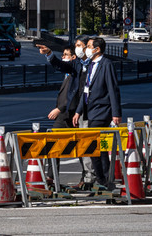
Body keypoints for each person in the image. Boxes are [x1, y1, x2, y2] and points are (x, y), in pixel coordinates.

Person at [37, 36, 94, 189]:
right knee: (61, 144)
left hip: (79, 113)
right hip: (71, 113)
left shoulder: (92, 65)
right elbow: (60, 65)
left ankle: (89, 179)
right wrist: (49, 54)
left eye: (80, 45)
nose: (79, 47)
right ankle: (52, 176)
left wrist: (61, 108)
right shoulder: (75, 66)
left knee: (85, 147)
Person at [73, 36, 121, 189]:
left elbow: (113, 89)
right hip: (90, 111)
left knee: (96, 146)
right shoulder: (90, 65)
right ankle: (104, 179)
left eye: (88, 46)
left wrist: (116, 113)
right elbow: (85, 91)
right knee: (97, 147)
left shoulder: (106, 64)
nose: (86, 49)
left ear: (97, 49)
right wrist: (78, 112)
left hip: (102, 111)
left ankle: (104, 178)